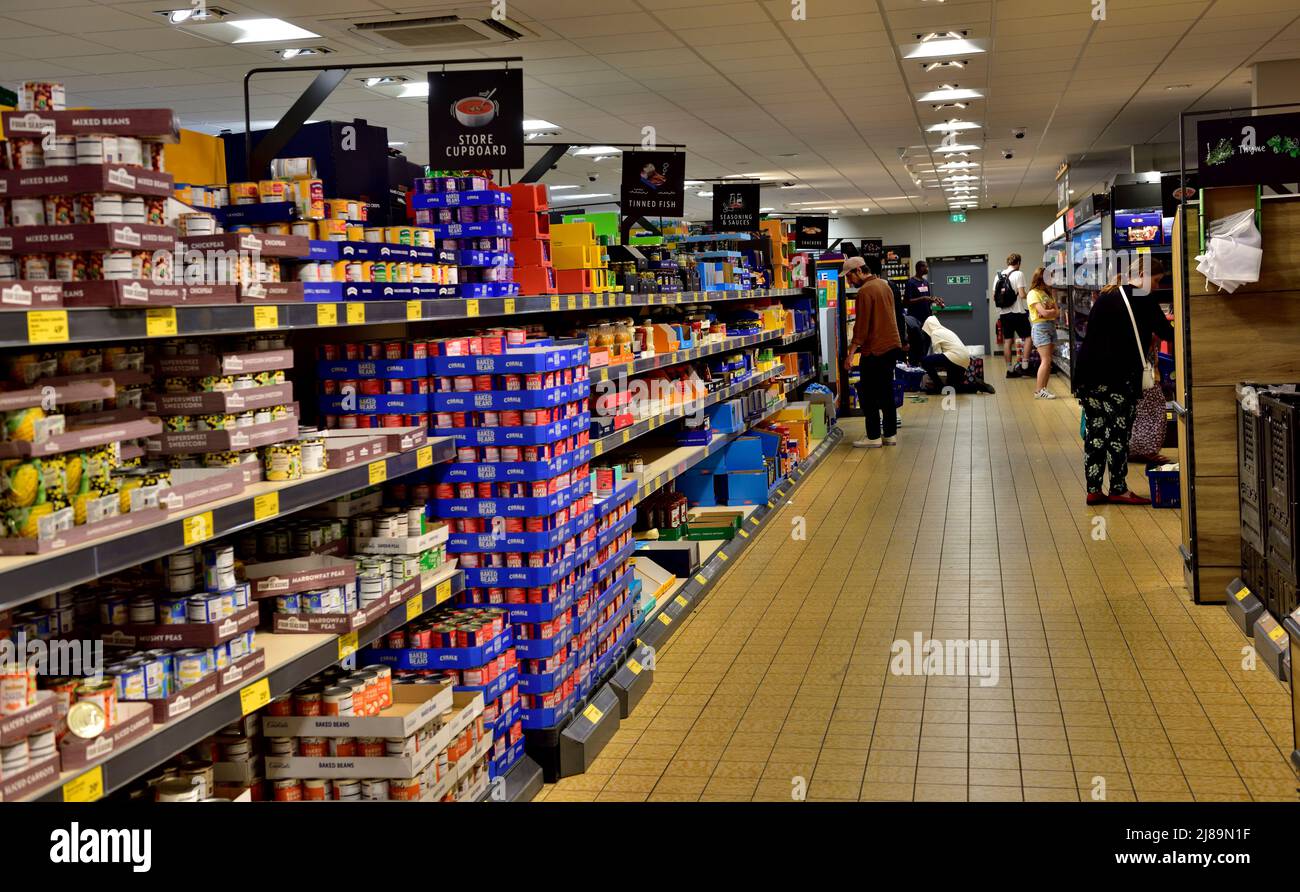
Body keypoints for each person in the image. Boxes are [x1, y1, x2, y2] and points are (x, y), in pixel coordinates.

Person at [1072, 273, 1175, 506]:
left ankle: (1094, 489)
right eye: (1156, 280)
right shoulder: (1143, 298)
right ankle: (1118, 488)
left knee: (1095, 434)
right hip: (1118, 377)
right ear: (1142, 275)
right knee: (1118, 433)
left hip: (1088, 375)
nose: (1157, 286)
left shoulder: (1107, 294)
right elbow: (1167, 332)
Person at [843, 254, 903, 448]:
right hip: (891, 346)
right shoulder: (885, 285)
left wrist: (851, 353)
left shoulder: (865, 291)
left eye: (849, 276)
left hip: (875, 350)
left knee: (868, 394)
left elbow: (861, 327)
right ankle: (890, 434)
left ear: (859, 270)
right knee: (886, 392)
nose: (848, 280)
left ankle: (874, 436)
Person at [919, 316, 995, 395]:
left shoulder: (935, 333)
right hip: (964, 360)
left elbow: (938, 354)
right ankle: (977, 386)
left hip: (954, 357)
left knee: (924, 360)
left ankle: (939, 386)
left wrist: (934, 370)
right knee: (953, 388)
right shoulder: (946, 330)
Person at [1025, 266, 1059, 400]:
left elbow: (1057, 312)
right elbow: (1044, 313)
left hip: (1050, 326)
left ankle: (1043, 388)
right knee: (1045, 360)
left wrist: (1048, 312)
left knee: (1048, 361)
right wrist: (1048, 311)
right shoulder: (1033, 293)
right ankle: (1038, 390)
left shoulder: (1048, 293)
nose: (1052, 279)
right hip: (1040, 328)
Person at [995, 253, 1030, 378]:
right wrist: (1030, 295)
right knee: (1028, 338)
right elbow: (1021, 294)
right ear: (1018, 263)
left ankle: (1010, 370)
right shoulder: (1019, 274)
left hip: (1004, 314)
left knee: (1008, 341)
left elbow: (996, 296)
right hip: (1018, 312)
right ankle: (1025, 367)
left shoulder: (999, 276)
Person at [904, 261, 944, 364]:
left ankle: (923, 365)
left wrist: (935, 300)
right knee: (917, 344)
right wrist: (922, 298)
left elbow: (928, 298)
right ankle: (914, 365)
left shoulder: (926, 282)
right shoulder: (911, 282)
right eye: (925, 267)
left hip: (927, 318)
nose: (927, 269)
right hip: (915, 319)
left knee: (926, 342)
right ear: (920, 268)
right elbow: (907, 301)